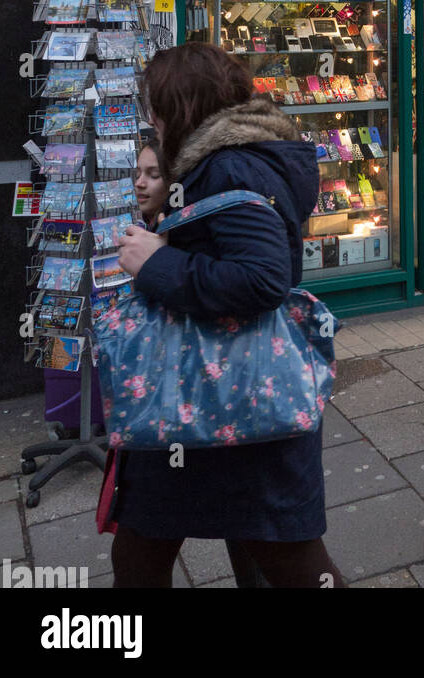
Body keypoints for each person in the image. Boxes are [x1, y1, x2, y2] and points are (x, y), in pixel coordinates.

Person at [110, 42, 343, 588]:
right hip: (225, 396)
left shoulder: (230, 164)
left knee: (282, 560)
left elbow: (262, 277)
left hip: (218, 395)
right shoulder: (235, 157)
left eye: (157, 105)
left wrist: (159, 263)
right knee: (255, 551)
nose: (152, 119)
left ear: (181, 105)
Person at [128, 135, 271, 590]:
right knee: (249, 528)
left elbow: (257, 282)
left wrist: (157, 263)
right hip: (195, 409)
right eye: (137, 173)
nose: (140, 183)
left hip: (190, 404)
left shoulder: (178, 223)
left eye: (153, 174)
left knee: (145, 546)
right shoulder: (155, 226)